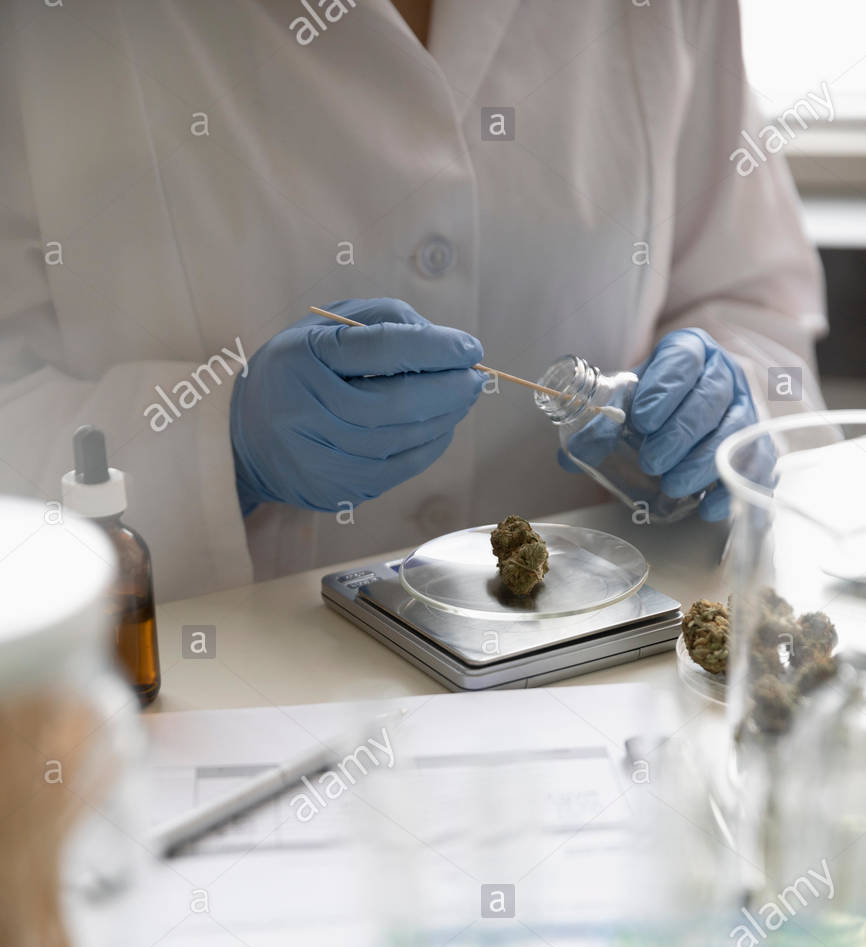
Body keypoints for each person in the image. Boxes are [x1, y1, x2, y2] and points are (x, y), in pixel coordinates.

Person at [0, 0, 826, 600]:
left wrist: (735, 407)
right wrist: (217, 450)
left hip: (604, 687)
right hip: (206, 717)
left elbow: (752, 299)